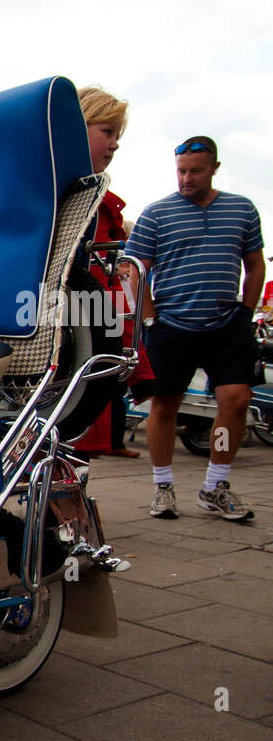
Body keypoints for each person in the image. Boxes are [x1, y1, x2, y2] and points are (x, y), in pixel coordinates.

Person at [127, 136, 264, 521]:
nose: (186, 178)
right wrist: (149, 318)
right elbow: (134, 272)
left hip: (227, 325)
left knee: (235, 400)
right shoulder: (156, 213)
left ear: (214, 168)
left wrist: (246, 311)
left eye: (196, 171)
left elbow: (255, 265)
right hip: (171, 325)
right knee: (165, 405)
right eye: (181, 171)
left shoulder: (241, 209)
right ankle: (163, 486)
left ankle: (215, 485)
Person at [68, 87, 155, 459]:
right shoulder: (80, 204)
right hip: (75, 351)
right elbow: (104, 294)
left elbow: (109, 293)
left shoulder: (89, 202)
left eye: (117, 135)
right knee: (65, 451)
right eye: (107, 131)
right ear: (75, 127)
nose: (115, 144)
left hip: (81, 343)